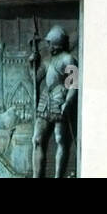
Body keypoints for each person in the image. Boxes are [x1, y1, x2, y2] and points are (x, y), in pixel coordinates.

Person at [29, 25, 78, 178]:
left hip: (60, 99)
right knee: (37, 139)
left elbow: (73, 85)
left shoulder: (68, 59)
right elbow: (35, 79)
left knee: (60, 139)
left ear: (57, 42)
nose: (48, 45)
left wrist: (67, 103)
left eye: (50, 42)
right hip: (46, 100)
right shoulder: (48, 60)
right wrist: (32, 64)